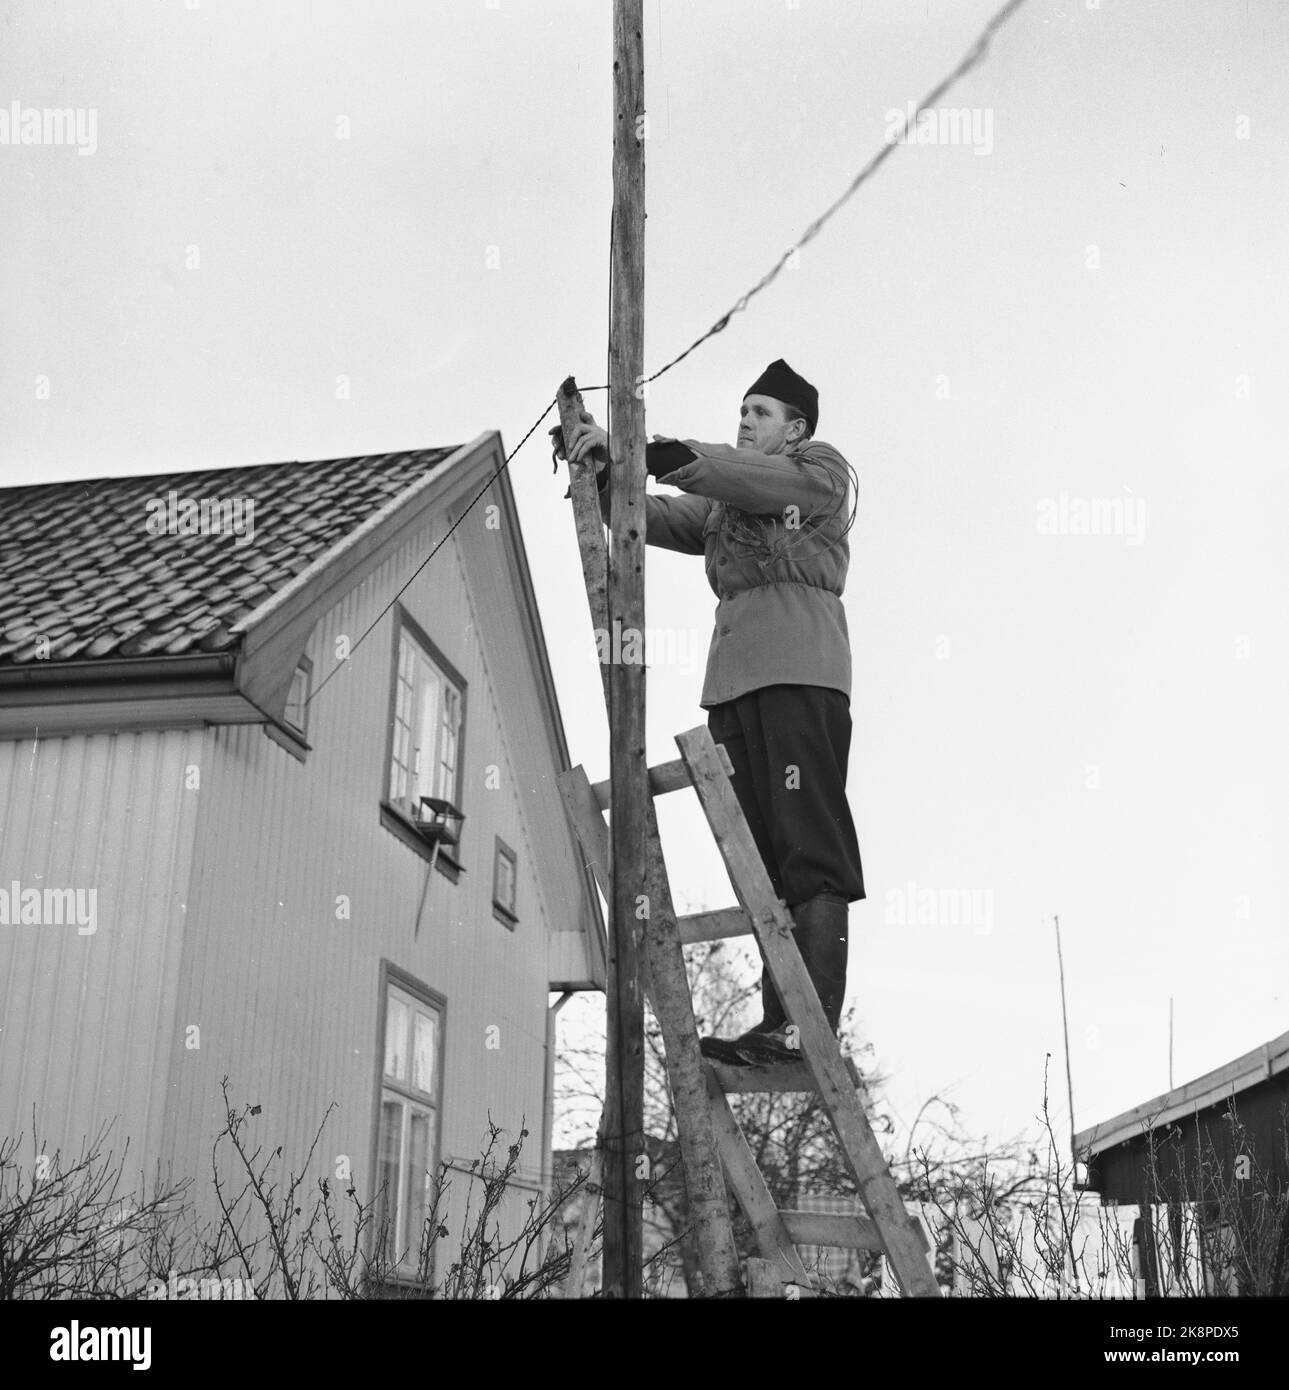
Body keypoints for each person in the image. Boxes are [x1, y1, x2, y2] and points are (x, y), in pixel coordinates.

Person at [555, 359, 864, 1065]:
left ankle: (807, 1025)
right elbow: (645, 516)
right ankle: (776, 1022)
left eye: (760, 412)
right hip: (733, 688)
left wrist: (640, 449)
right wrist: (603, 473)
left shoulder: (816, 473)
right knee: (758, 862)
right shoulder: (727, 501)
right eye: (742, 412)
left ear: (796, 428)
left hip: (799, 673)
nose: (745, 422)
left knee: (808, 850)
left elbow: (735, 475)